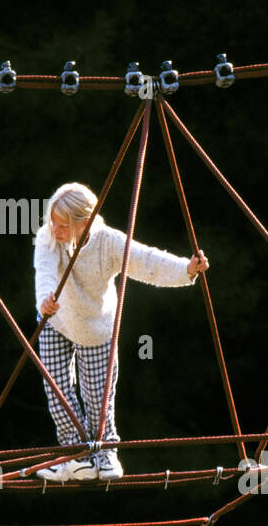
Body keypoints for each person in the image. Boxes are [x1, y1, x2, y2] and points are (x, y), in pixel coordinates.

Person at [32, 182, 208, 482]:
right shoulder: (48, 239)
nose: (55, 230)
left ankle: (104, 454)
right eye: (53, 222)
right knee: (57, 394)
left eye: (63, 225)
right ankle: (77, 456)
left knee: (98, 398)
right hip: (57, 320)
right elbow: (45, 272)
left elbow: (147, 261)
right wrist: (46, 299)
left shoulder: (108, 243)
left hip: (95, 326)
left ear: (84, 223)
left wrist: (186, 270)